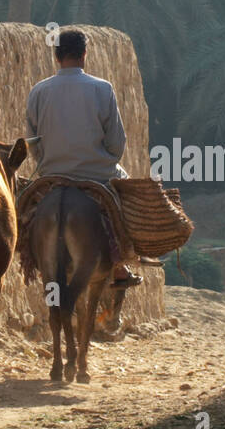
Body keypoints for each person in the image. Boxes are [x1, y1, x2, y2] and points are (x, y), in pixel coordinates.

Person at [25, 28, 142, 288]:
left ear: (56, 57)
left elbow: (32, 143)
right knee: (125, 198)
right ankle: (121, 265)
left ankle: (27, 254)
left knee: (23, 209)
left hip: (52, 174)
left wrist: (48, 164)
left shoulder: (38, 91)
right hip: (97, 174)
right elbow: (117, 143)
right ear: (85, 54)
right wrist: (103, 159)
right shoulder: (102, 89)